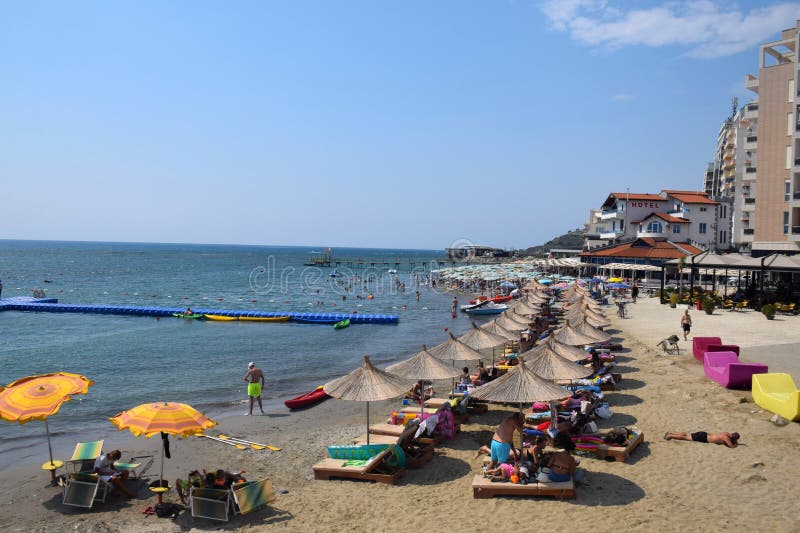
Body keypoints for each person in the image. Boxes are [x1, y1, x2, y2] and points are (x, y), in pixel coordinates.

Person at [664, 431, 740, 448]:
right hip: (704, 438)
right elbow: (732, 446)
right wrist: (736, 443)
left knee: (687, 434)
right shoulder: (726, 438)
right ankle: (670, 436)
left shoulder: (726, 433)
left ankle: (671, 433)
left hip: (704, 433)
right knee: (686, 438)